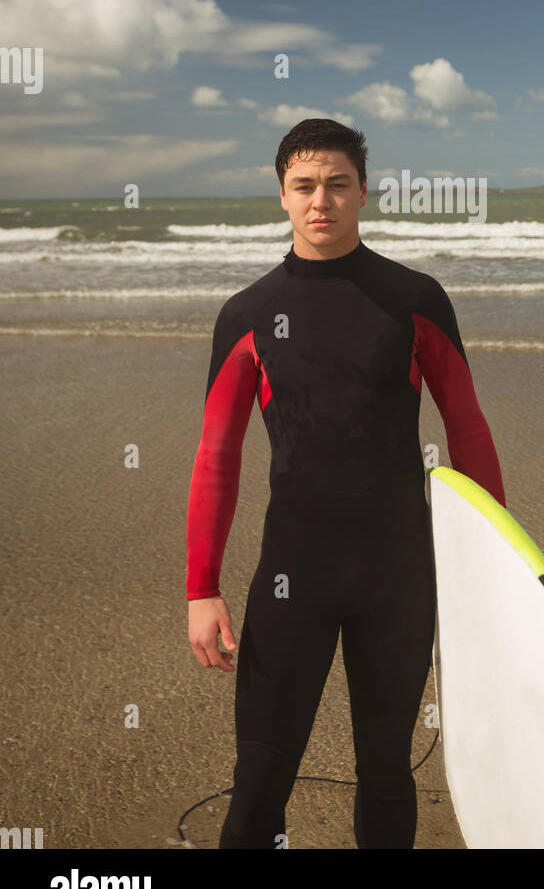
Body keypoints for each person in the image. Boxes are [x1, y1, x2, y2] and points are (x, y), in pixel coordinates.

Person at [186, 118, 506, 849]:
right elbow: (216, 456)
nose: (320, 200)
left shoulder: (415, 298)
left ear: (364, 191)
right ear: (282, 196)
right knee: (260, 779)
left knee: (388, 772)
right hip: (290, 577)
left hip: (396, 576)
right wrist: (201, 588)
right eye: (304, 186)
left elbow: (469, 431)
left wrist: (494, 566)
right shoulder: (248, 314)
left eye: (336, 184)